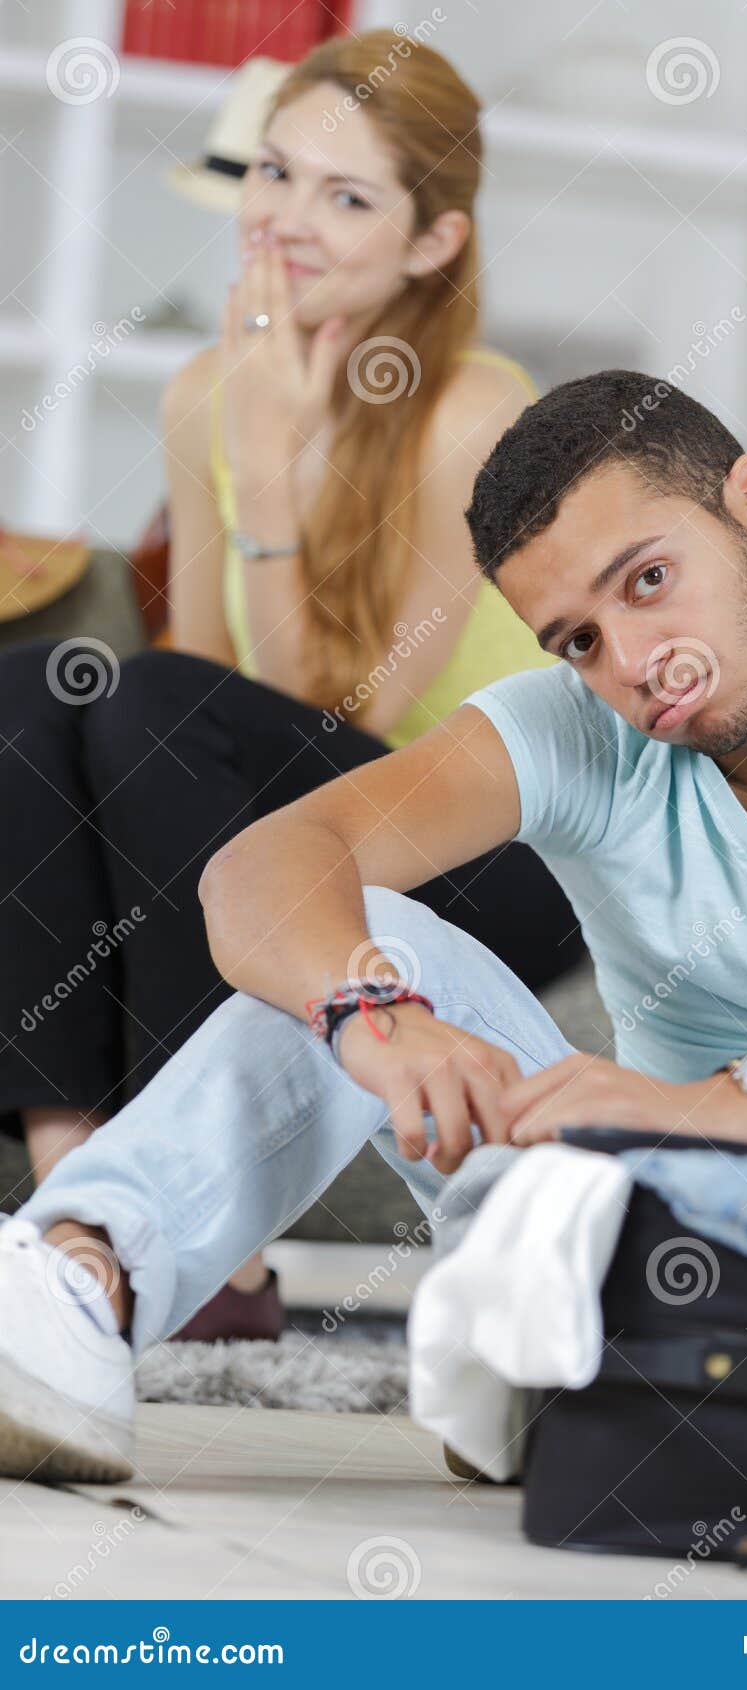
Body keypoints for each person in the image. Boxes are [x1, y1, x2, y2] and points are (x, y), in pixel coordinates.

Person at [2, 368, 747, 1483]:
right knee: (359, 935)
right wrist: (371, 1012)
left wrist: (719, 1108)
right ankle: (83, 1287)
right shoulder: (579, 731)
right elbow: (262, 867)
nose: (633, 663)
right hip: (669, 1241)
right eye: (577, 639)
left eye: (649, 579)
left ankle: (552, 1369)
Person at [0, 31, 584, 1339]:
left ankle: (221, 1259)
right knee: (45, 688)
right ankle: (68, 1185)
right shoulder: (211, 388)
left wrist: (269, 480)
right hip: (297, 814)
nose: (287, 220)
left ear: (431, 243)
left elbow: (348, 720)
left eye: (346, 195)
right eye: (274, 174)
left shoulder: (474, 415)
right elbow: (201, 684)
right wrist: (242, 426)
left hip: (480, 844)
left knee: (141, 705)